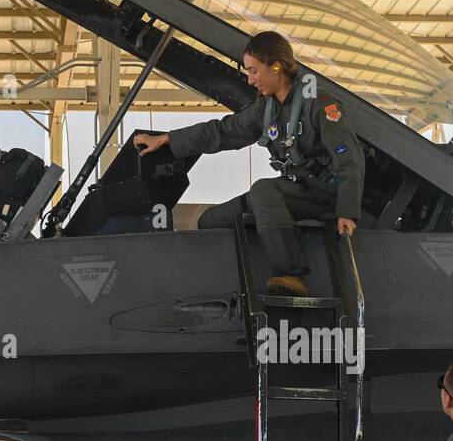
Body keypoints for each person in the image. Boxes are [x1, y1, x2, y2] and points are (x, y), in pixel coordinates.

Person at [132, 30, 365, 298]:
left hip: (325, 195)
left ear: (276, 66)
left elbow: (349, 158)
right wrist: (168, 139)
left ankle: (291, 273)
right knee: (211, 221)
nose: (250, 79)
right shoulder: (267, 109)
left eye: (254, 71)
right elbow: (222, 131)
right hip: (294, 190)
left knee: (264, 189)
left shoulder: (319, 103)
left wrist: (347, 211)